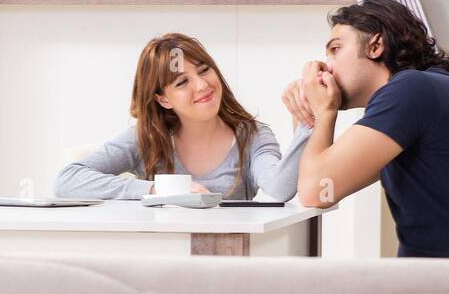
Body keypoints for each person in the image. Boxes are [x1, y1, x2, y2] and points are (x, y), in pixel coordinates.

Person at [296, 0, 449, 260]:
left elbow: (317, 190)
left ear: (376, 46)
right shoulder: (426, 88)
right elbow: (321, 184)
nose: (327, 67)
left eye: (335, 49)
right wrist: (307, 112)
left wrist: (324, 111)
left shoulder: (411, 90)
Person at [54, 32, 313, 202]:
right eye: (182, 82)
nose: (202, 86)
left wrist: (305, 122)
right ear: (163, 99)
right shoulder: (145, 138)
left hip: (226, 260)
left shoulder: (252, 136)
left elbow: (280, 189)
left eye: (204, 70)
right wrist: (159, 191)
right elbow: (67, 181)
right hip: (160, 258)